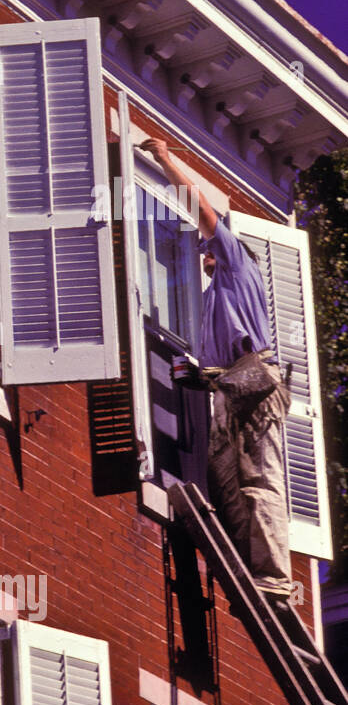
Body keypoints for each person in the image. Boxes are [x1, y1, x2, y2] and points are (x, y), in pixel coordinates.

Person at [140, 138, 293, 598]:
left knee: (259, 479)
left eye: (209, 246)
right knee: (227, 479)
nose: (203, 250)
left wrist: (165, 160)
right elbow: (218, 369)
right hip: (230, 389)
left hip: (255, 383)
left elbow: (203, 210)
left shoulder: (238, 267)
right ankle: (250, 568)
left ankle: (276, 578)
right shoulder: (211, 303)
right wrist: (199, 378)